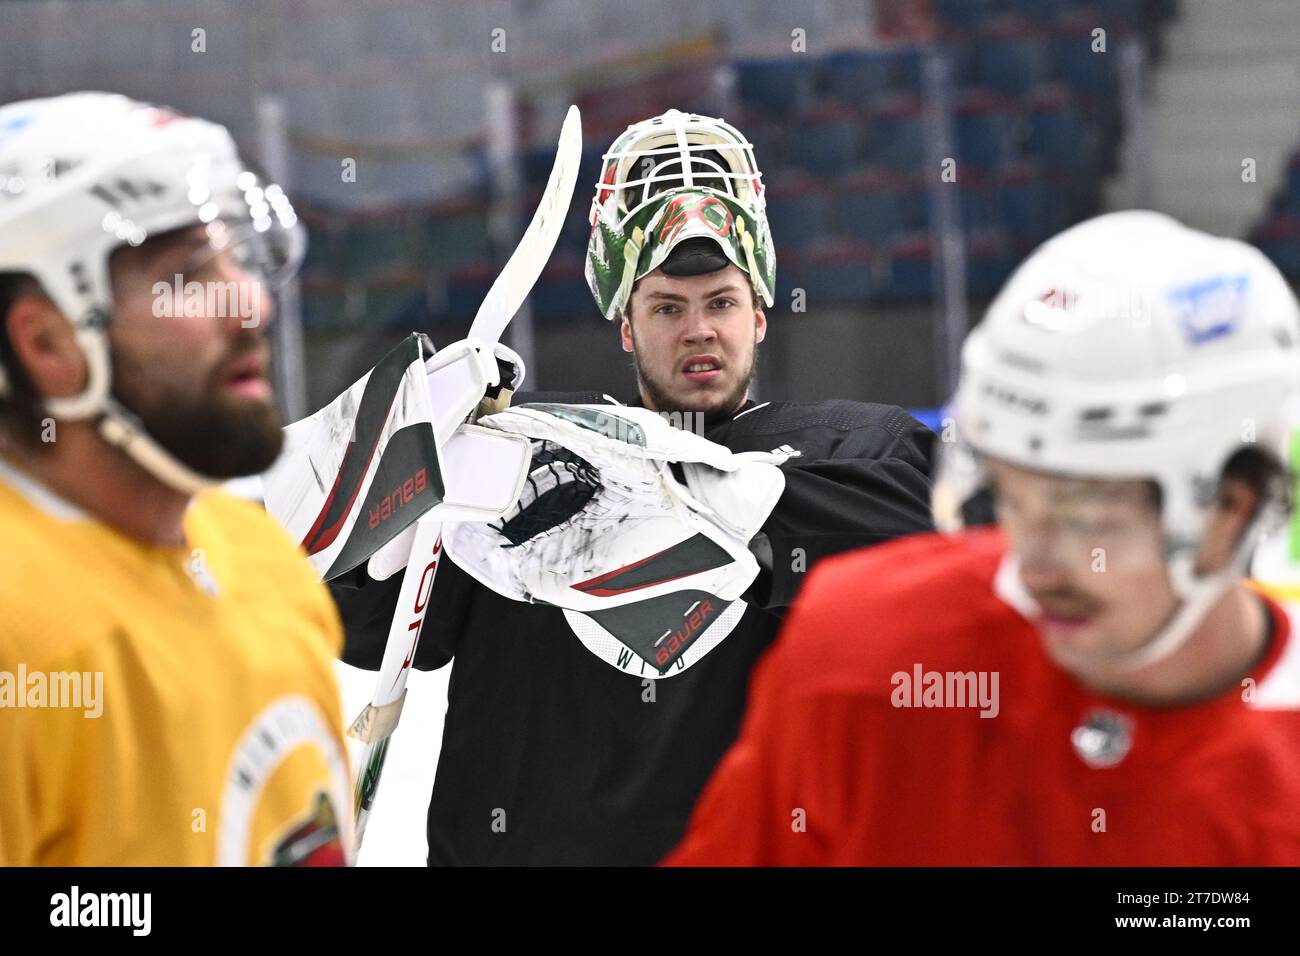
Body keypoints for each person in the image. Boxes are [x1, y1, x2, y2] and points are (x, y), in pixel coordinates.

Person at [333, 109, 935, 865]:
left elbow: (943, 535)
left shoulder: (849, 448)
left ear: (759, 317)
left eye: (720, 303)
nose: (698, 330)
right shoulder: (523, 462)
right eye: (666, 308)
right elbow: (372, 636)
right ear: (625, 327)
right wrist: (395, 507)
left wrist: (712, 504)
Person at [664, 210, 1300, 866]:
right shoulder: (868, 654)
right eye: (1011, 499)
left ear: (1230, 509)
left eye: (1083, 516)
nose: (1032, 567)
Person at [0, 92, 351, 866]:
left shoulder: (256, 557)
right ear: (50, 342)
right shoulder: (17, 641)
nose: (250, 304)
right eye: (189, 277)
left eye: (237, 259)